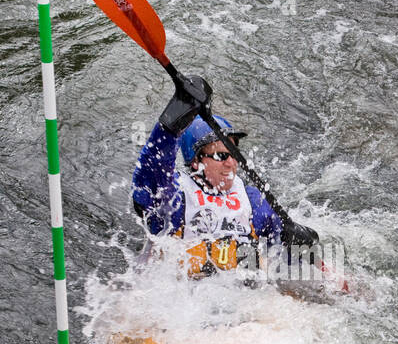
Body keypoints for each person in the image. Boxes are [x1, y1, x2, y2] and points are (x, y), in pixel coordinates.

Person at [132, 74, 319, 278]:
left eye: (233, 154)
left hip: (240, 299)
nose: (231, 163)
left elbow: (288, 256)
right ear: (196, 161)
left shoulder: (253, 201)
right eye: (221, 155)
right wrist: (175, 116)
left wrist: (301, 249)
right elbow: (153, 166)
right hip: (179, 297)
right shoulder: (175, 198)